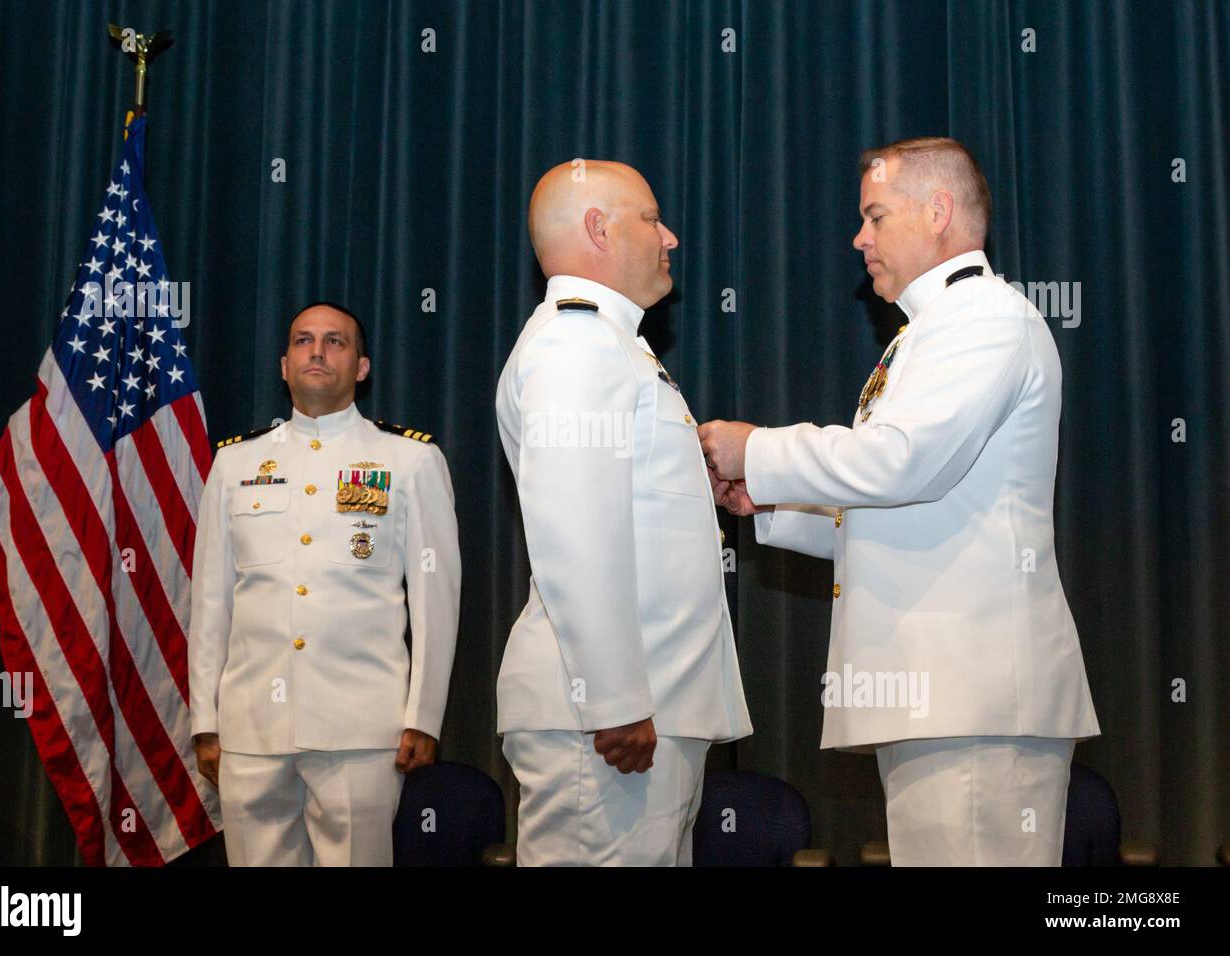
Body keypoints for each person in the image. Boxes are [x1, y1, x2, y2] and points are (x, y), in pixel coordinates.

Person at [698, 137, 1099, 866]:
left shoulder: (983, 320)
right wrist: (773, 502)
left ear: (939, 211)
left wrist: (755, 447)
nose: (860, 238)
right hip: (944, 695)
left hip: (972, 696)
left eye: (875, 216)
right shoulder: (932, 332)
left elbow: (902, 464)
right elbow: (905, 504)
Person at [495, 160, 752, 866]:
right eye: (651, 219)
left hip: (643, 703)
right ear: (598, 230)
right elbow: (575, 533)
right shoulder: (577, 345)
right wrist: (611, 698)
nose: (670, 236)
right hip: (607, 715)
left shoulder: (614, 347)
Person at [189, 301, 461, 866]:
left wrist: (423, 716)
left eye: (335, 341)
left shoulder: (409, 460)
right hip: (251, 727)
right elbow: (211, 602)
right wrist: (205, 721)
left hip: (362, 728)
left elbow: (437, 599)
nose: (317, 351)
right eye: (302, 341)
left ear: (362, 367)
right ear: (284, 365)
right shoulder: (234, 465)